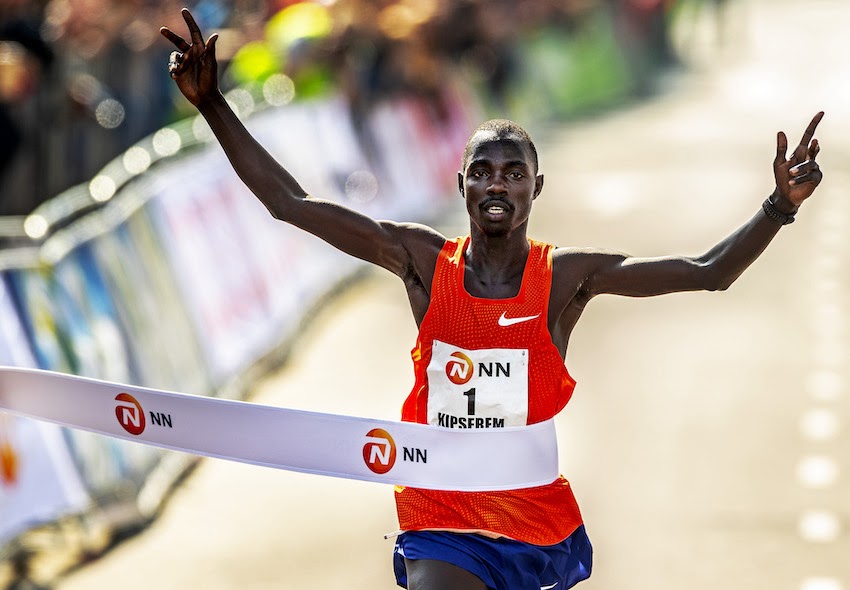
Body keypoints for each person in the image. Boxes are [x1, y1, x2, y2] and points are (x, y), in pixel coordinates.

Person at [160, 8, 823, 590]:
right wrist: (213, 104)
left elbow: (708, 271)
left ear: (537, 186)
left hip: (529, 519)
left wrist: (778, 207)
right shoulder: (423, 262)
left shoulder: (566, 277)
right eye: (481, 172)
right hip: (440, 511)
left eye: (512, 172)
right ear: (462, 187)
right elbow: (290, 203)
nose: (497, 184)